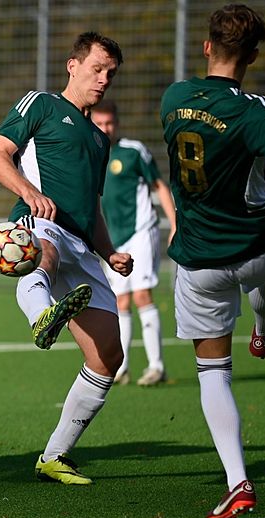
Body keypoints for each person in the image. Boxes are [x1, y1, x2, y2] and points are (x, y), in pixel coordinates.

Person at [0, 32, 132, 486]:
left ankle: (54, 456)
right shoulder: (42, 105)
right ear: (73, 65)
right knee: (44, 253)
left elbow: (93, 207)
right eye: (97, 69)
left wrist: (109, 252)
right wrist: (29, 192)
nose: (103, 80)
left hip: (82, 247)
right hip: (41, 224)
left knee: (108, 356)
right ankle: (41, 316)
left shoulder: (99, 139)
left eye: (110, 74)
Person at [160, 3, 265, 518]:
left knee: (214, 373)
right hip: (258, 249)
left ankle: (238, 482)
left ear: (207, 46)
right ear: (253, 56)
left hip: (200, 260)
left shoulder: (174, 97)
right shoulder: (258, 111)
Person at [91, 100, 177, 387]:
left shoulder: (133, 151)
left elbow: (159, 186)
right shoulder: (92, 152)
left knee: (142, 295)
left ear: (117, 123)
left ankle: (156, 366)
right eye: (99, 124)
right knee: (120, 301)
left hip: (141, 231)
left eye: (109, 123)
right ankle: (122, 368)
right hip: (112, 239)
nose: (105, 128)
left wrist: (174, 223)